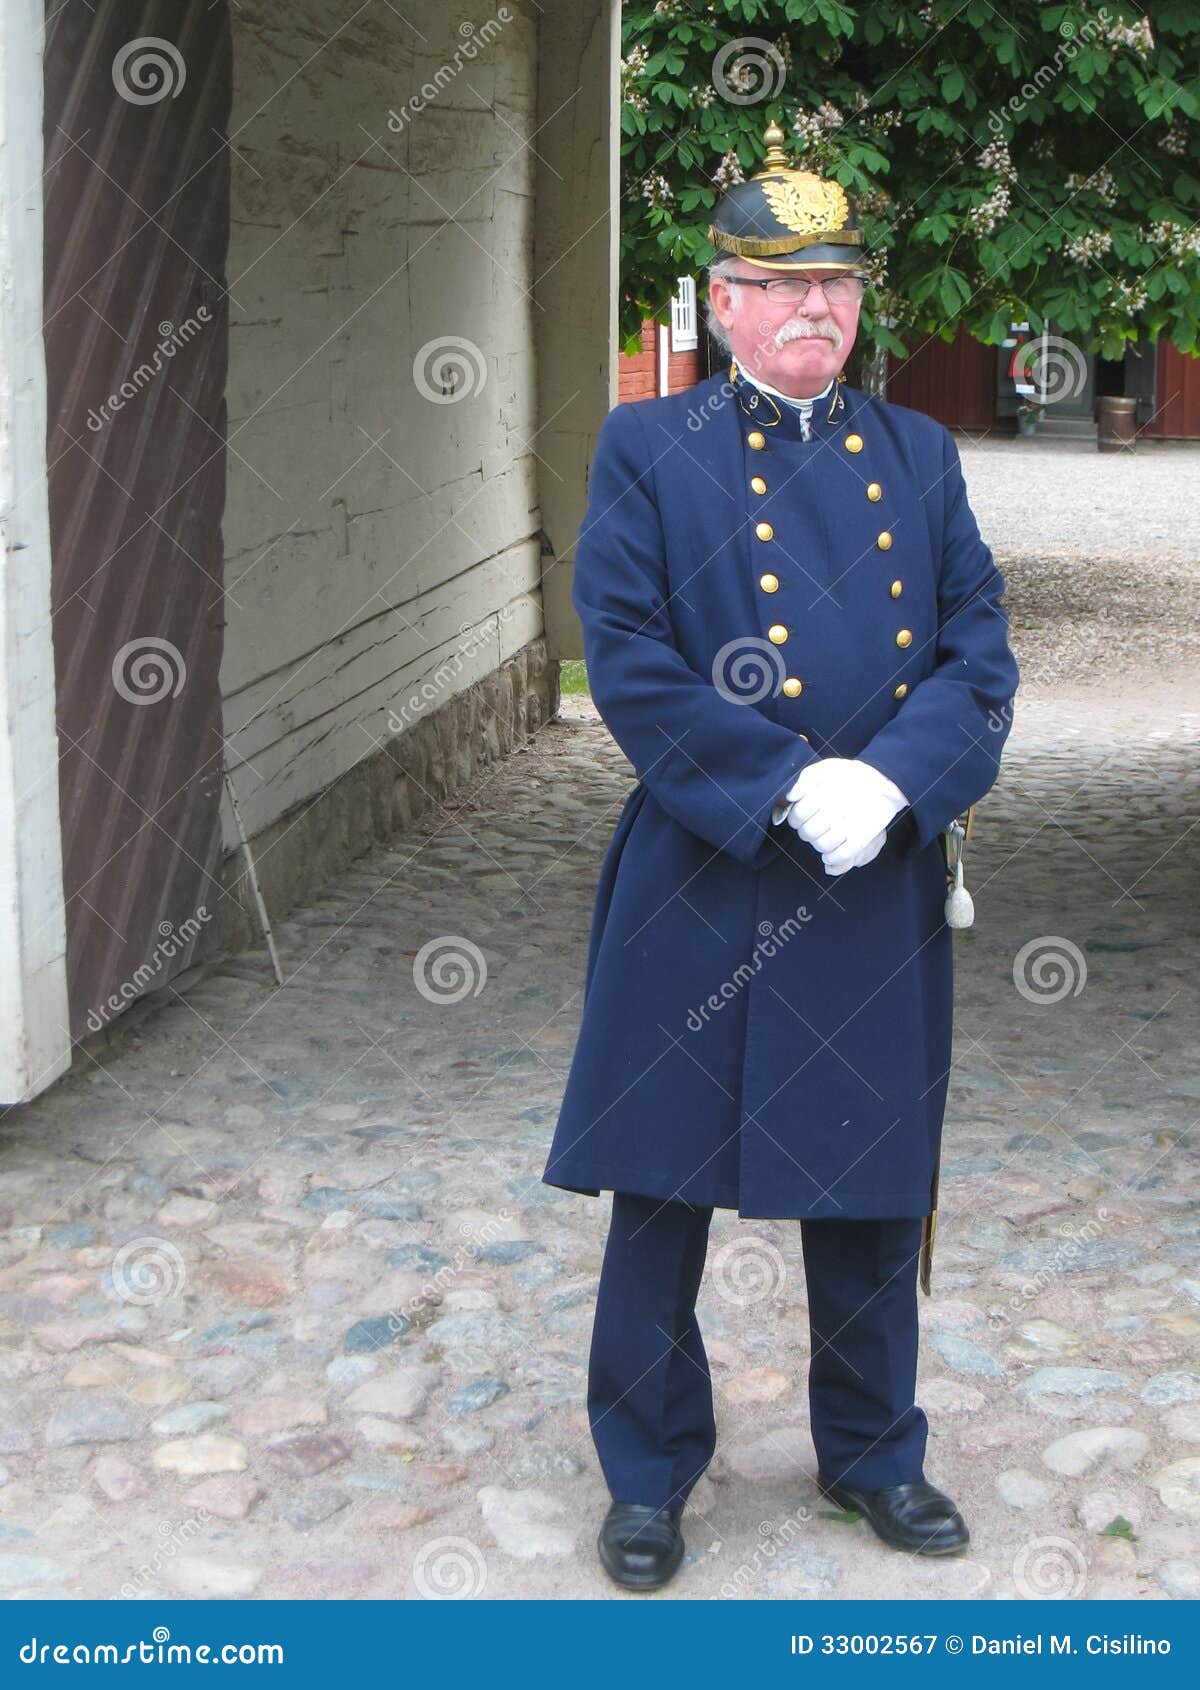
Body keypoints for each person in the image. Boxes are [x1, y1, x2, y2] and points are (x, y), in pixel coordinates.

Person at [542, 121, 1019, 1591]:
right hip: (704, 861)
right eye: (783, 280)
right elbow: (622, 652)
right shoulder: (650, 447)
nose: (818, 306)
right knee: (659, 1178)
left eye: (840, 282)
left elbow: (978, 652)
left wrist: (892, 784)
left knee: (871, 1176)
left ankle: (874, 1450)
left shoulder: (919, 456)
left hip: (869, 871)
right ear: (725, 298)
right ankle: (647, 1470)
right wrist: (776, 779)